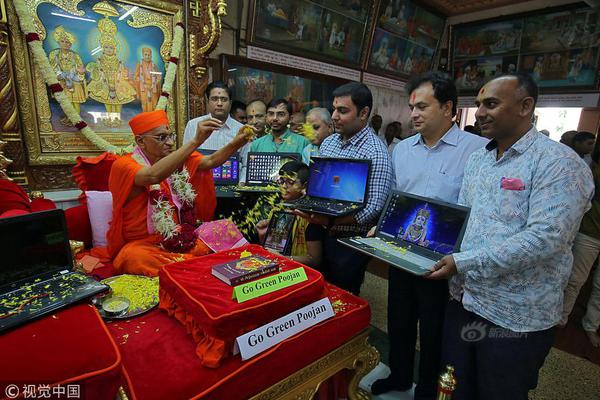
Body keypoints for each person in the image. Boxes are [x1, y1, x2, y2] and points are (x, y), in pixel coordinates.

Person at [428, 74, 593, 399]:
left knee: (499, 391)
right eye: (477, 105)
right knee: (455, 386)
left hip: (515, 317)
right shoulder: (479, 160)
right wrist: (422, 245)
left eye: (491, 103)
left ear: (525, 106)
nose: (478, 113)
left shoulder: (559, 164)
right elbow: (464, 222)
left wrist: (462, 262)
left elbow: (545, 239)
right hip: (464, 300)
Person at [371, 72, 487, 398]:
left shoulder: (477, 151)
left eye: (422, 106)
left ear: (448, 107)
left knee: (435, 330)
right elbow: (397, 197)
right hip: (401, 253)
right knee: (399, 321)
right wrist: (381, 226)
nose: (413, 114)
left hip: (442, 261)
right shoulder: (403, 149)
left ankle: (426, 389)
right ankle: (399, 376)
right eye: (412, 107)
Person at [107, 110, 254, 276]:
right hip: (145, 245)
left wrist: (237, 142)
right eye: (162, 138)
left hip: (180, 236)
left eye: (171, 136)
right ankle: (196, 266)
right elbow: (153, 175)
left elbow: (211, 161)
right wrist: (195, 141)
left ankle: (187, 264)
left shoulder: (175, 159)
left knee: (223, 227)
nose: (170, 143)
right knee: (131, 257)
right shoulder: (123, 165)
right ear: (140, 141)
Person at [293, 82, 392, 295]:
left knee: (342, 293)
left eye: (343, 111)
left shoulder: (376, 153)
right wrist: (307, 195)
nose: (335, 116)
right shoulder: (329, 143)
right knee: (316, 286)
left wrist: (331, 221)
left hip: (350, 240)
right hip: (319, 229)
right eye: (334, 109)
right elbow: (320, 182)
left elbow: (373, 208)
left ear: (364, 112)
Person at [561, 141, 600, 332]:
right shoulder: (589, 167)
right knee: (576, 279)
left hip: (591, 231)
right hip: (591, 231)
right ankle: (561, 319)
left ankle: (592, 326)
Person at [256, 161, 325, 268]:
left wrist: (285, 259)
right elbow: (271, 249)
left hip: (301, 273)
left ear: (304, 186)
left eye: (291, 182)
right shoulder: (277, 209)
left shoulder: (310, 216)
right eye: (282, 181)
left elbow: (315, 260)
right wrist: (262, 236)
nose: (284, 186)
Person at [183, 81, 250, 180]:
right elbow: (186, 159)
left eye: (224, 99)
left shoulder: (242, 130)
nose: (219, 103)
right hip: (200, 186)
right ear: (208, 101)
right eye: (214, 99)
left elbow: (245, 164)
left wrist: (241, 185)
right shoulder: (193, 125)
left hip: (233, 189)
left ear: (230, 103)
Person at [48, 26, 86, 121]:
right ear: (58, 42)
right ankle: (68, 118)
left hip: (74, 82)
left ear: (71, 44)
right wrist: (60, 76)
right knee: (66, 102)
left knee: (76, 102)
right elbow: (53, 68)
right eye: (63, 41)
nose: (65, 44)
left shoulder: (75, 56)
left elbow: (80, 69)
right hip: (62, 81)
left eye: (68, 42)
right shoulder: (54, 54)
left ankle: (77, 119)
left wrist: (79, 75)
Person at [134, 47, 161, 113]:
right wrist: (140, 81)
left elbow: (158, 75)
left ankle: (153, 119)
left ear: (151, 56)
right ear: (143, 55)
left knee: (154, 105)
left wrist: (156, 82)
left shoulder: (154, 65)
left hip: (153, 88)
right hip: (144, 88)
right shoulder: (139, 65)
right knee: (144, 104)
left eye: (149, 55)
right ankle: (146, 119)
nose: (147, 56)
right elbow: (136, 76)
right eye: (145, 55)